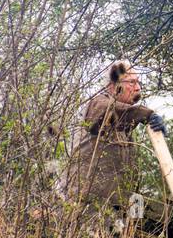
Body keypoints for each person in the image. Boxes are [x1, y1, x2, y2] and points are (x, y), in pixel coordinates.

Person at [65, 60, 166, 211]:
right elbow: (108, 110)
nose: (138, 88)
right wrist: (147, 115)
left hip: (116, 212)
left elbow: (130, 177)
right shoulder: (96, 105)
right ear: (113, 86)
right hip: (87, 210)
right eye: (132, 82)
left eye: (138, 83)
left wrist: (137, 215)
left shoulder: (124, 128)